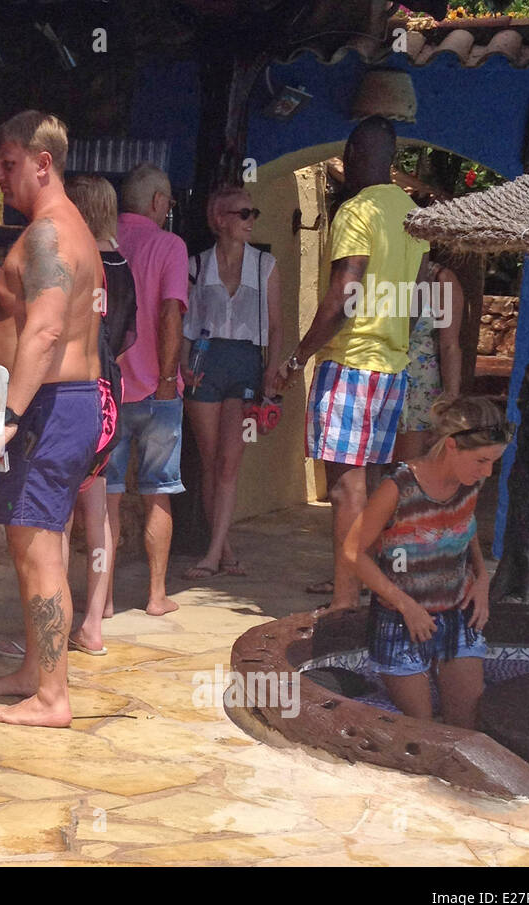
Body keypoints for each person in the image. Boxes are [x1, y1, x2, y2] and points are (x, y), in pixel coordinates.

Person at [0, 110, 103, 728]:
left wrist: (9, 415)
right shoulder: (64, 229)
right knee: (31, 542)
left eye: (8, 163)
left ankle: (53, 698)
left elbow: (47, 329)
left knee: (40, 548)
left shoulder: (50, 234)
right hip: (61, 406)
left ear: (43, 163)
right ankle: (34, 673)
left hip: (51, 408)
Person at [273, 116, 430, 612]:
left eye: (346, 150)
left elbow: (345, 293)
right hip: (392, 367)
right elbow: (420, 295)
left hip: (352, 364)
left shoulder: (357, 211)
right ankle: (362, 584)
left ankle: (345, 603)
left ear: (359, 151)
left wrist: (298, 355)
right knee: (375, 486)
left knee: (346, 489)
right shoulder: (412, 215)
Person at [341, 397, 508, 728]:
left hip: (458, 615)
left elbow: (466, 525)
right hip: (401, 622)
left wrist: (482, 579)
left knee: (466, 725)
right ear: (451, 446)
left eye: (493, 462)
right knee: (423, 728)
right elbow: (352, 552)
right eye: (482, 461)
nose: (487, 472)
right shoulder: (398, 488)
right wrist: (406, 606)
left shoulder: (470, 483)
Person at [182, 185, 283, 579]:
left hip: (244, 362)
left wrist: (272, 373)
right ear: (221, 219)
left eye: (253, 213)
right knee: (210, 462)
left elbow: (275, 326)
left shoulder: (266, 266)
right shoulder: (196, 264)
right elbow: (186, 322)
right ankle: (221, 549)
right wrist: (179, 363)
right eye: (244, 214)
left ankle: (213, 552)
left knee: (230, 464)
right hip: (205, 358)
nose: (251, 220)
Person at [105, 163, 189, 616]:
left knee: (108, 496)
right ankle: (156, 596)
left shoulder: (102, 239)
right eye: (170, 201)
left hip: (108, 390)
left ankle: (106, 599)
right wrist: (167, 378)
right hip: (155, 390)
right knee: (159, 491)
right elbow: (170, 315)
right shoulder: (168, 245)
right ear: (158, 202)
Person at [393, 253, 463, 462]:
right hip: (381, 373)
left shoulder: (440, 280)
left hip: (420, 385)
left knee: (410, 467)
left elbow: (450, 344)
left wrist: (450, 400)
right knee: (372, 466)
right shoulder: (381, 272)